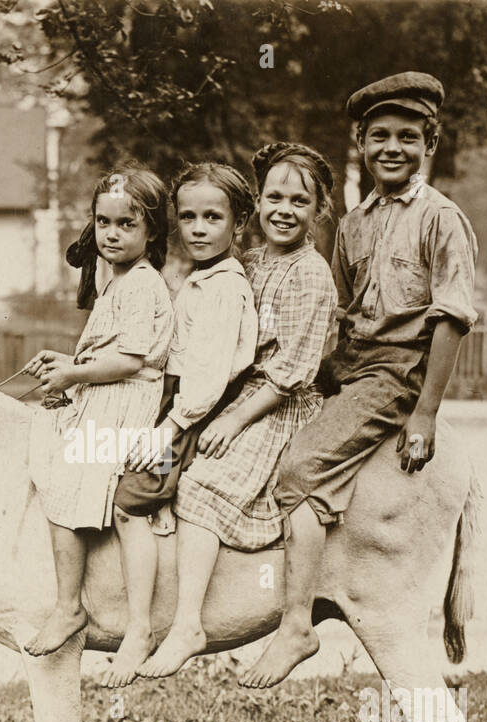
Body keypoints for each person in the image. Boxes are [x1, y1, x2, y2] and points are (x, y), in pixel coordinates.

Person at [239, 71, 479, 689]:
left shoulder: (441, 219)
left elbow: (450, 319)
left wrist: (424, 413)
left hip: (397, 372)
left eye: (406, 137)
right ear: (362, 145)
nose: (391, 149)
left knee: (298, 468)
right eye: (378, 137)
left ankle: (296, 624)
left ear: (430, 145)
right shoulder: (352, 223)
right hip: (350, 362)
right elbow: (340, 314)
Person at [134, 143, 337, 680]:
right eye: (275, 197)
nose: (284, 210)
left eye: (300, 200)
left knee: (204, 481)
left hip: (278, 404)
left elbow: (291, 368)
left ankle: (187, 624)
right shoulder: (251, 261)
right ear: (259, 204)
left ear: (319, 211)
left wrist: (231, 419)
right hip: (237, 391)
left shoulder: (310, 273)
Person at [103, 163, 259, 687]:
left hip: (197, 408)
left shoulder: (223, 288)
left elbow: (210, 375)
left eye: (213, 217)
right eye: (188, 216)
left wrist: (170, 427)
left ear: (238, 224)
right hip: (176, 397)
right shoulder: (199, 277)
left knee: (127, 500)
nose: (197, 228)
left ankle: (140, 627)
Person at [24, 166, 175, 656]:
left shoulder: (142, 284)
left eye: (127, 224)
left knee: (65, 479)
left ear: (151, 231)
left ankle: (71, 606)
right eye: (104, 222)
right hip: (111, 394)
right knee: (42, 442)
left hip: (127, 405)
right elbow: (110, 350)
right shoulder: (118, 280)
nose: (112, 234)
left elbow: (131, 359)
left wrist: (73, 375)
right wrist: (67, 362)